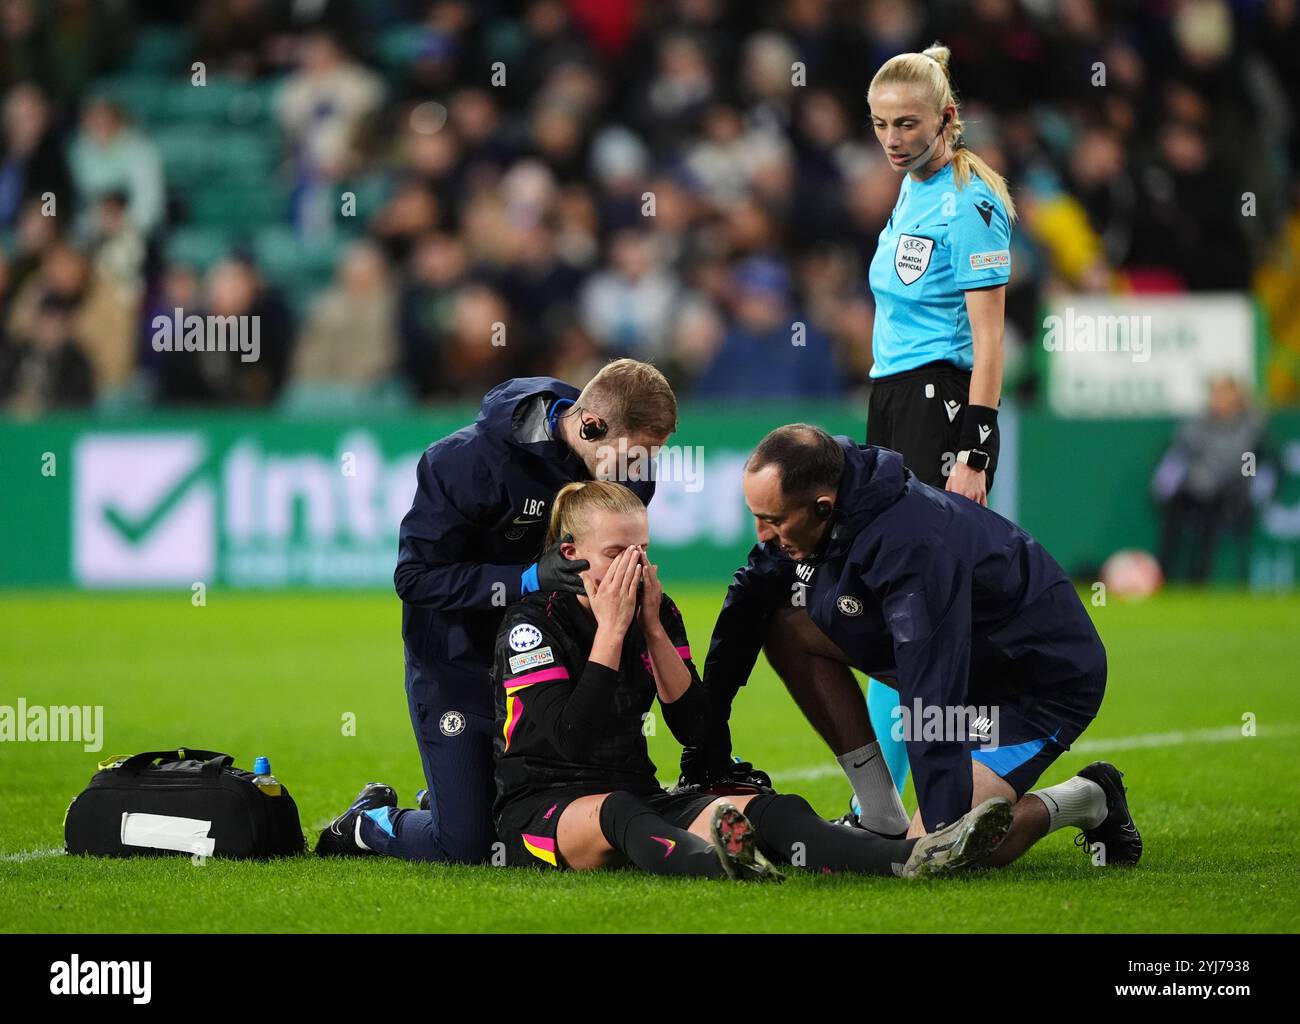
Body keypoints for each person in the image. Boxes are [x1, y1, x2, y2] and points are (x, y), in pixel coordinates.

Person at [488, 479, 1013, 879]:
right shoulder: (533, 623)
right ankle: (722, 864)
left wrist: (649, 629)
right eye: (615, 554)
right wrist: (611, 632)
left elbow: (696, 730)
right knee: (621, 812)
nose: (634, 567)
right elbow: (570, 737)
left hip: (635, 787)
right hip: (544, 806)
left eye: (642, 551)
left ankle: (912, 856)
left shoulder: (658, 613)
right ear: (570, 554)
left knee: (771, 809)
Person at [697, 424, 1141, 869]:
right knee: (782, 622)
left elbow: (932, 680)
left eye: (772, 521)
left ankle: (1089, 797)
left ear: (823, 507)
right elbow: (749, 596)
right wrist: (706, 734)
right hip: (965, 659)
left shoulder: (912, 544)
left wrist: (941, 831)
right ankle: (878, 814)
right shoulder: (818, 507)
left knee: (956, 851)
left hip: (1035, 685)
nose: (761, 534)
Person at [315, 359, 675, 861]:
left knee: (538, 827)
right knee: (466, 846)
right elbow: (415, 578)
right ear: (590, 424)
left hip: (550, 672)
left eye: (651, 456)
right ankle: (369, 822)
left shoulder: (628, 476)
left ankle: (454, 799)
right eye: (635, 455)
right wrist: (525, 580)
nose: (641, 473)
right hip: (458, 663)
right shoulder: (463, 462)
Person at [856, 42, 1019, 797]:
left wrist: (974, 454)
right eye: (881, 123)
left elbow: (990, 345)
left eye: (908, 123)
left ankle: (891, 800)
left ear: (947, 118)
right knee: (898, 600)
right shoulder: (911, 189)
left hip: (938, 404)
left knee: (910, 603)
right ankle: (907, 794)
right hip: (892, 400)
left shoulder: (969, 205)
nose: (892, 138)